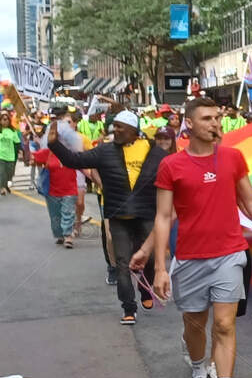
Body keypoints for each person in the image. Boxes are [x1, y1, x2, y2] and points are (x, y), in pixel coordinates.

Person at [136, 98, 252, 378]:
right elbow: (164, 216)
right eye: (207, 118)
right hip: (189, 259)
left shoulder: (232, 158)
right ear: (189, 124)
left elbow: (251, 202)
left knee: (225, 325)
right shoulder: (172, 166)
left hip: (230, 254)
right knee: (195, 325)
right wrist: (158, 266)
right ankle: (199, 372)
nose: (215, 123)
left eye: (217, 117)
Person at [47, 109, 166, 323]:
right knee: (122, 262)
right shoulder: (105, 150)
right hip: (118, 216)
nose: (115, 130)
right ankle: (128, 307)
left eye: (120, 127)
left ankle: (145, 289)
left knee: (148, 257)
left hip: (147, 214)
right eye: (115, 126)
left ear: (133, 130)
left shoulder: (153, 151)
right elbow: (75, 160)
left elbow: (174, 170)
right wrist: (54, 144)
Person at [32, 122, 82, 247]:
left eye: (60, 136)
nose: (58, 139)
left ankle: (68, 235)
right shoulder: (47, 153)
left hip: (70, 189)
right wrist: (32, 152)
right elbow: (33, 160)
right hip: (52, 191)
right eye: (55, 136)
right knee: (55, 216)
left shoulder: (72, 152)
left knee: (68, 213)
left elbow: (84, 165)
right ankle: (59, 234)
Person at [0, 111, 21, 194]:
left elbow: (17, 142)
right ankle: (1, 188)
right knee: (0, 172)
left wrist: (20, 152)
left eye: (7, 119)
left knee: (9, 174)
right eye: (4, 119)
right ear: (0, 121)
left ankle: (4, 186)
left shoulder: (12, 131)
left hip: (10, 156)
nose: (6, 121)